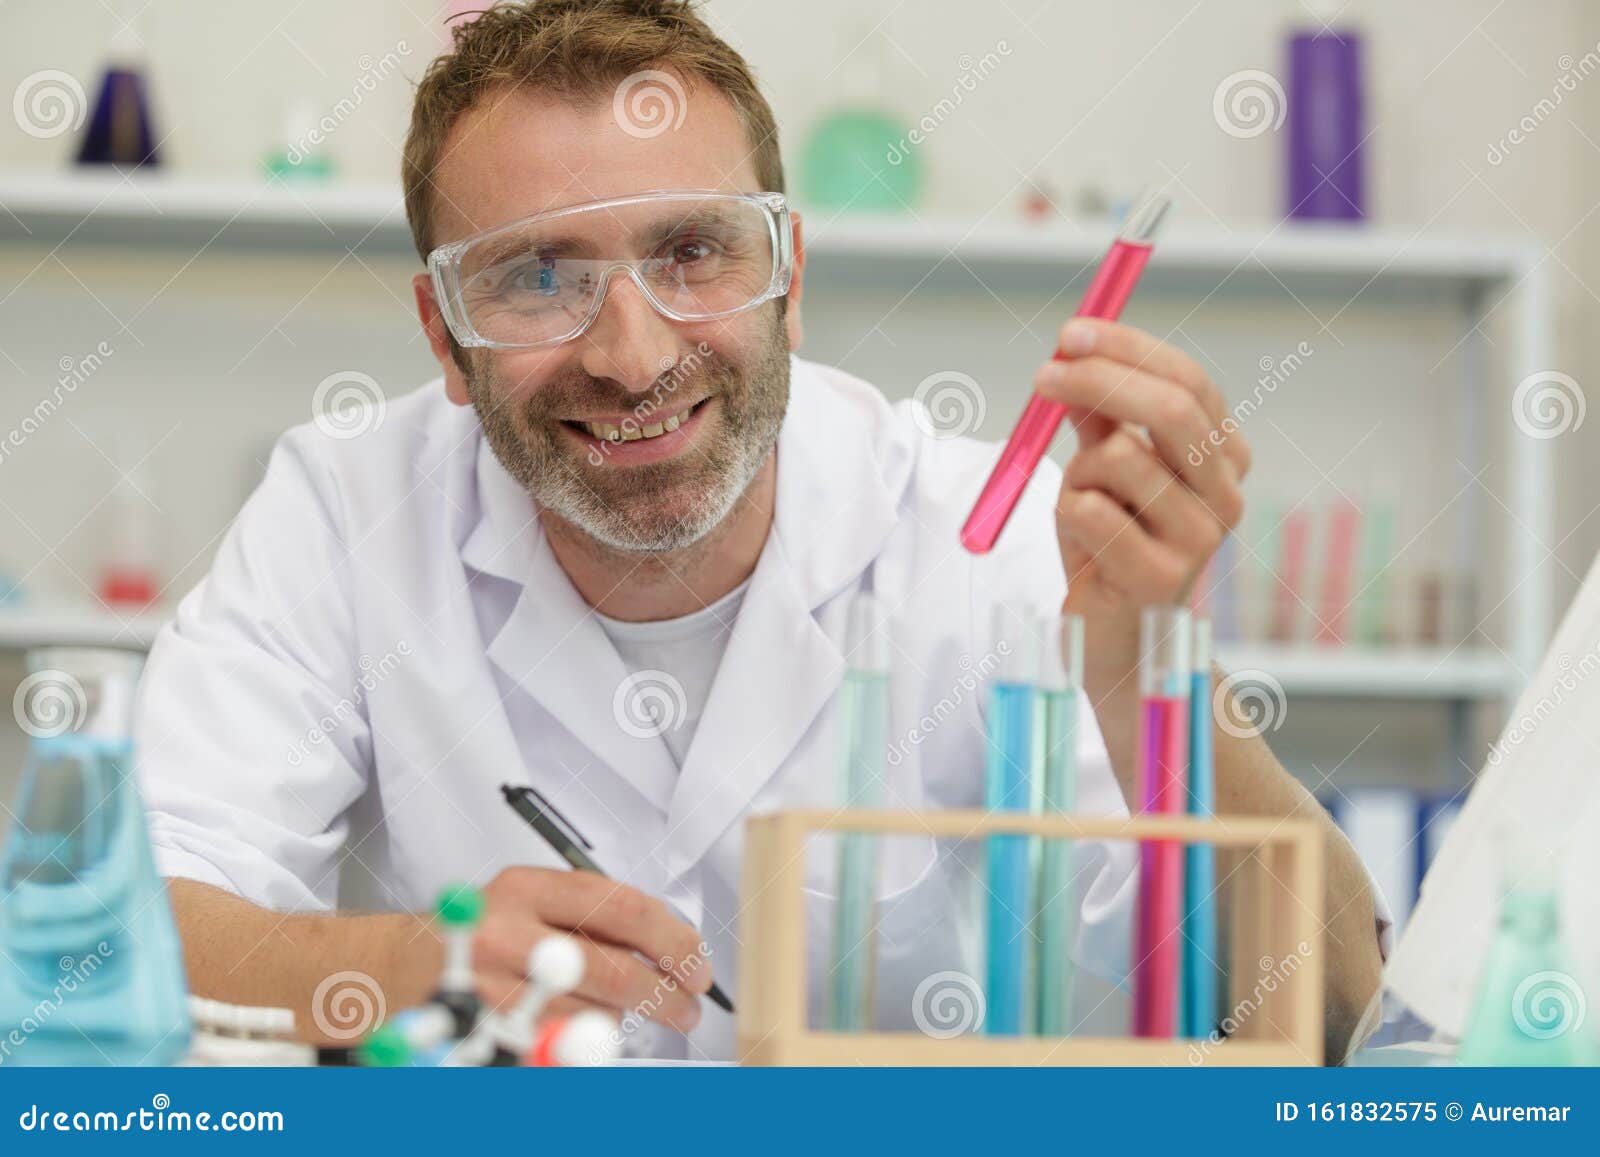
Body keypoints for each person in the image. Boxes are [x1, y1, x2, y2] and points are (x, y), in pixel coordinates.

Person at [135, 0, 1384, 1062]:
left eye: (691, 252)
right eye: (538, 277)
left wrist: (1145, 666)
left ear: (790, 280)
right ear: (441, 336)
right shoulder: (349, 510)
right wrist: (421, 956)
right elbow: (115, 938)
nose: (632, 356)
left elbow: (1332, 1021)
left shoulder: (996, 539)